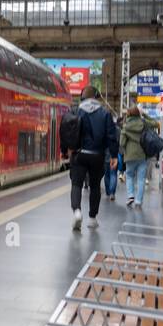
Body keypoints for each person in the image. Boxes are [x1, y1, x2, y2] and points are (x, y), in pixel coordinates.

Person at [60, 85, 118, 230]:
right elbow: (112, 136)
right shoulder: (105, 113)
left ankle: (77, 212)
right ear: (96, 97)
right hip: (98, 155)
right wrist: (114, 155)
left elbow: (66, 130)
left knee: (77, 184)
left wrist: (64, 150)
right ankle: (92, 218)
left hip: (79, 154)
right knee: (95, 186)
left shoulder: (75, 111)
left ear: (82, 97)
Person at [119, 105, 151, 209]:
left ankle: (130, 196)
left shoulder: (126, 126)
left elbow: (122, 142)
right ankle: (138, 201)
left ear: (129, 114)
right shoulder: (144, 123)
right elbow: (156, 123)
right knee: (141, 179)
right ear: (138, 113)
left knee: (129, 176)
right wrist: (144, 115)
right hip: (142, 155)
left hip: (130, 156)